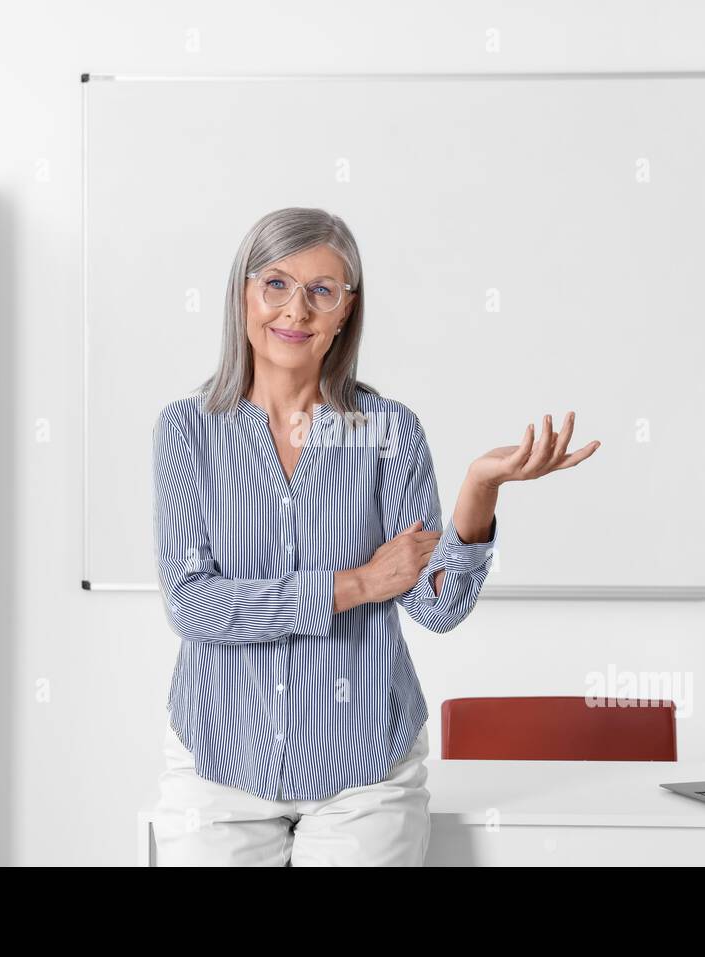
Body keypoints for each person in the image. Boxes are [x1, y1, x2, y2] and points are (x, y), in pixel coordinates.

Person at [150, 207, 599, 865]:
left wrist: (480, 488)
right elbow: (193, 604)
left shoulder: (389, 431)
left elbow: (435, 607)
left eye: (321, 290)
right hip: (219, 759)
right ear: (244, 292)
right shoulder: (186, 430)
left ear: (345, 310)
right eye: (275, 284)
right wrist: (358, 583)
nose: (295, 310)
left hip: (364, 768)